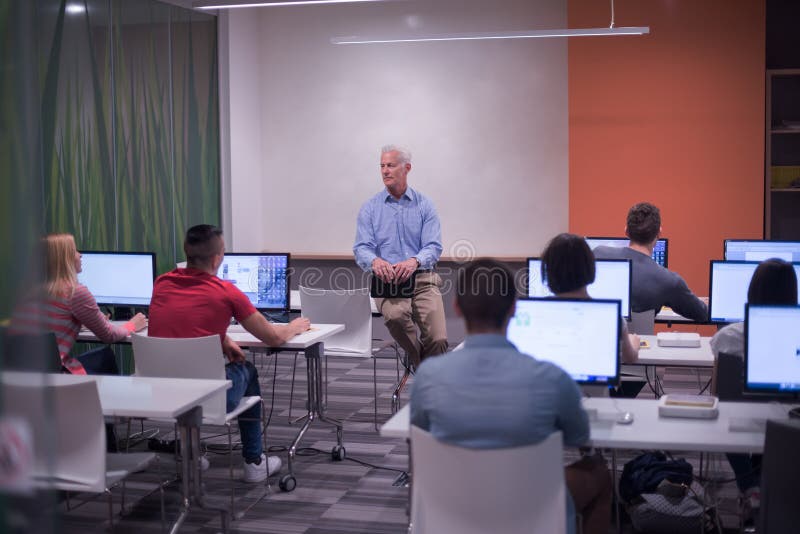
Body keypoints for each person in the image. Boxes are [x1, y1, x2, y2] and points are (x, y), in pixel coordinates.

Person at [410, 258, 612, 534]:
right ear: (515, 308)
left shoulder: (427, 378)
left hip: (454, 508)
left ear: (456, 306)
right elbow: (580, 437)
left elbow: (420, 437)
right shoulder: (553, 379)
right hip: (532, 509)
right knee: (599, 473)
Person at [148, 224, 310, 483]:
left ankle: (190, 456)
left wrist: (222, 339)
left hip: (159, 393)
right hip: (208, 401)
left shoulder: (162, 283)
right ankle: (254, 462)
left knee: (193, 375)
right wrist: (294, 326)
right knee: (248, 370)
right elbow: (273, 338)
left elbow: (184, 321)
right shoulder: (225, 292)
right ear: (217, 258)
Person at [709, 258, 798, 522]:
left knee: (729, 416)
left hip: (736, 425)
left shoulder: (726, 337)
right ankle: (764, 486)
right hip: (791, 425)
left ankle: (749, 487)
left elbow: (716, 393)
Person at [353, 145, 448, 368]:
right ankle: (425, 370)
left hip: (423, 279)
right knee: (396, 317)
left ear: (407, 168)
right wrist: (375, 261)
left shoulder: (425, 205)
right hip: (389, 281)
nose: (385, 171)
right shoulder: (370, 208)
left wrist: (415, 261)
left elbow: (433, 246)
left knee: (439, 339)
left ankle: (424, 372)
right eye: (382, 166)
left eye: (391, 165)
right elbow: (361, 248)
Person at [10, 233, 148, 374]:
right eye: (75, 251)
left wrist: (85, 320)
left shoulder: (27, 291)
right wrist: (132, 324)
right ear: (65, 259)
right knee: (105, 356)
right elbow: (108, 336)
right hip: (54, 378)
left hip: (19, 376)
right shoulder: (74, 292)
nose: (80, 255)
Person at [541, 233, 642, 397]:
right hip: (595, 408)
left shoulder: (535, 312)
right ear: (590, 269)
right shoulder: (612, 316)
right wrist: (634, 344)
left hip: (546, 406)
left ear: (548, 271)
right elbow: (630, 358)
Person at [593, 202, 707, 322]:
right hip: (640, 340)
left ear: (626, 231)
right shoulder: (669, 281)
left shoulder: (598, 254)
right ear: (659, 234)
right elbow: (702, 314)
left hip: (592, 336)